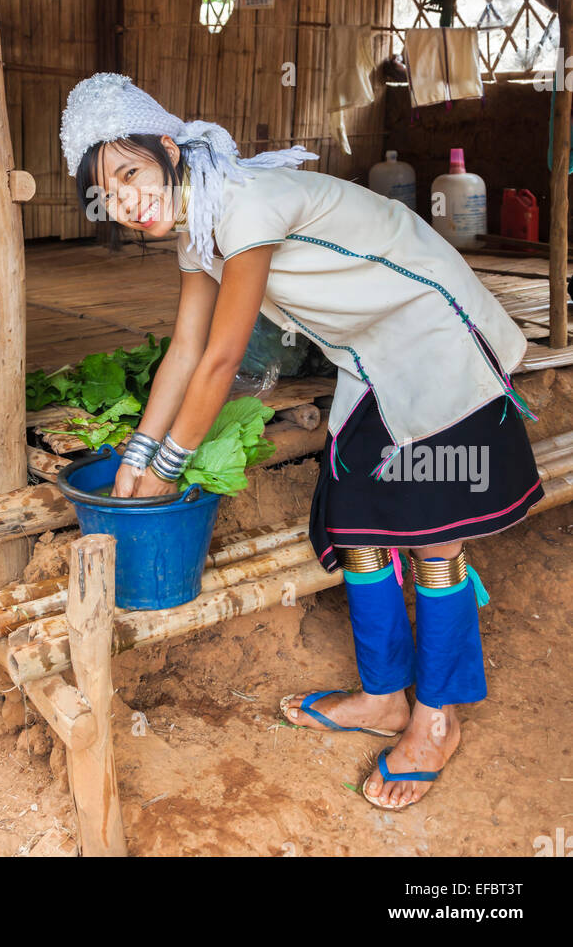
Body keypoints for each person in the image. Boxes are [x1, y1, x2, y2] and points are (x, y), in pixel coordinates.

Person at [59, 74, 543, 810]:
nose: (126, 201)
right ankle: (384, 696)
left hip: (433, 333)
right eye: (108, 192)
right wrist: (134, 458)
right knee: (357, 527)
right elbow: (185, 350)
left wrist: (169, 467)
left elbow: (222, 359)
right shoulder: (199, 229)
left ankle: (436, 719)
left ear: (166, 146)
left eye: (130, 173)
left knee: (432, 541)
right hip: (373, 357)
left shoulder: (245, 203)